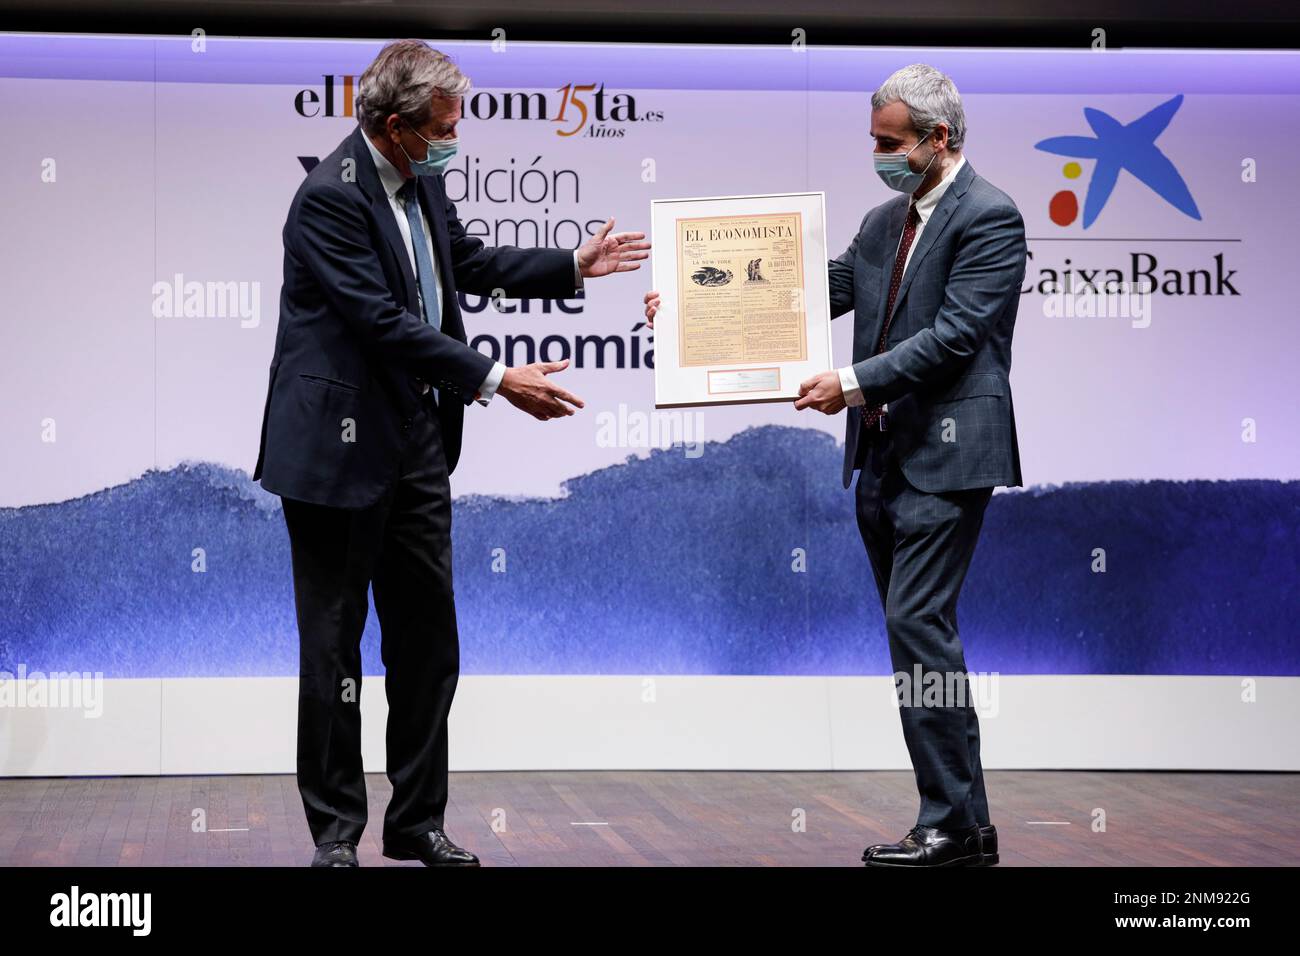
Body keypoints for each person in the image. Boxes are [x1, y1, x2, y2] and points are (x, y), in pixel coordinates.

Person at [253, 39, 649, 867]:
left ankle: (416, 823)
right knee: (334, 652)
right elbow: (384, 324)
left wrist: (574, 264)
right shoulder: (328, 198)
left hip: (418, 446)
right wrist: (500, 379)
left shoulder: (421, 177)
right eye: (442, 125)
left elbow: (464, 265)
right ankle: (335, 834)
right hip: (334, 457)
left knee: (429, 646)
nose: (454, 137)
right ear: (394, 128)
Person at [644, 63, 1025, 867]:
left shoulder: (991, 217)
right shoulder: (885, 220)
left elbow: (957, 336)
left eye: (889, 143)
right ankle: (969, 823)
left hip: (948, 456)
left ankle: (950, 822)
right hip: (882, 458)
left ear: (938, 139)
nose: (878, 154)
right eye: (875, 140)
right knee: (922, 638)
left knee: (918, 627)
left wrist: (849, 384)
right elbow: (808, 292)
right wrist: (687, 307)